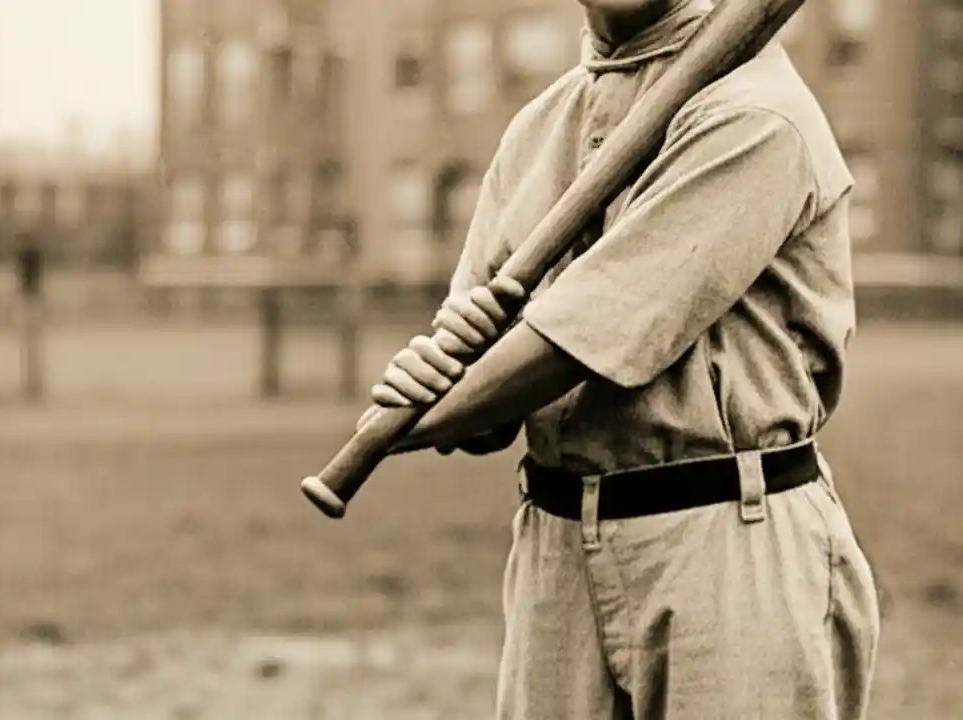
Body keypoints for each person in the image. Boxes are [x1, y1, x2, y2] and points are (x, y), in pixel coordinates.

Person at [361, 1, 879, 717]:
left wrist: (415, 420)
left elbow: (587, 339)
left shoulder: (757, 113)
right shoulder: (537, 130)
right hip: (555, 544)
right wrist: (445, 382)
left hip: (724, 538)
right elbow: (486, 401)